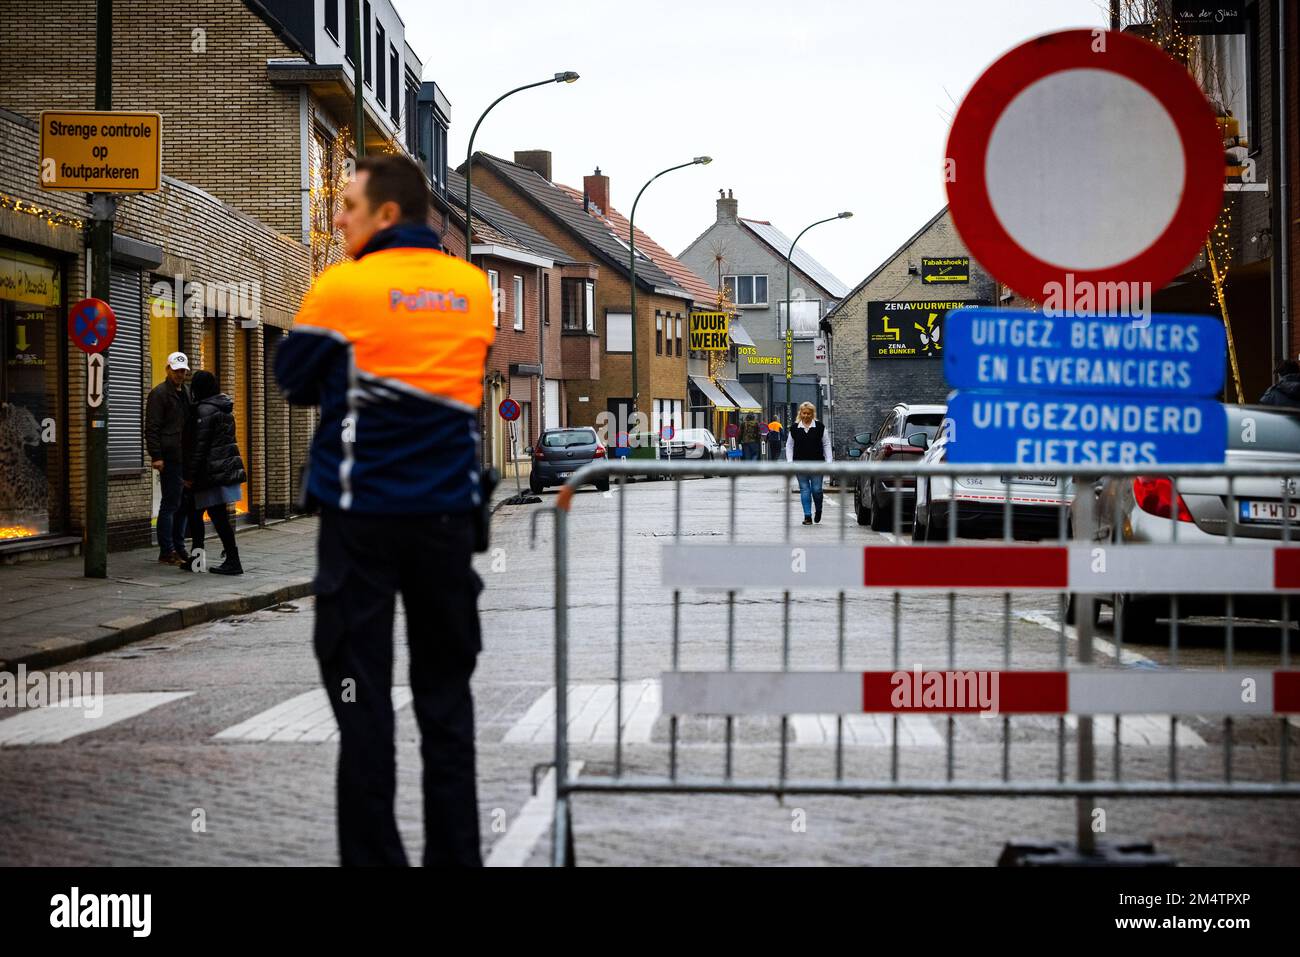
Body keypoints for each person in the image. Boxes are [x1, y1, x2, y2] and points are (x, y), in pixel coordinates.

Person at [274, 153, 495, 867]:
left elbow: (292, 379)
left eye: (347, 204)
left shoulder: (342, 288)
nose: (337, 216)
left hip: (359, 520)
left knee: (361, 704)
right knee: (446, 703)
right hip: (447, 520)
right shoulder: (473, 288)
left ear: (386, 214)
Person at [182, 371, 246, 575]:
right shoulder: (224, 407)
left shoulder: (204, 410)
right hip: (221, 468)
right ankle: (197, 560)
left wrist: (190, 475)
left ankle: (232, 561)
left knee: (215, 516)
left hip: (209, 472)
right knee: (196, 512)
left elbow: (199, 447)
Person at [145, 352, 191, 565]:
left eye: (183, 371)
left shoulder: (187, 393)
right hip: (170, 456)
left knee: (182, 504)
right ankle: (166, 550)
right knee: (171, 503)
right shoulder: (159, 394)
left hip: (185, 457)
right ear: (167, 369)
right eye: (176, 370)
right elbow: (152, 427)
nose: (180, 374)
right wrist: (157, 455)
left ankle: (179, 547)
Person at [785, 401, 832, 524]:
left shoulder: (820, 427)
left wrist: (829, 462)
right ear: (800, 413)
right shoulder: (794, 428)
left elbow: (826, 444)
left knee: (817, 490)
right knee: (805, 489)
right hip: (799, 464)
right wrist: (790, 462)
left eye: (808, 413)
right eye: (803, 413)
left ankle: (819, 509)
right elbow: (789, 445)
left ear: (812, 414)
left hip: (817, 464)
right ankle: (807, 516)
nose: (806, 415)